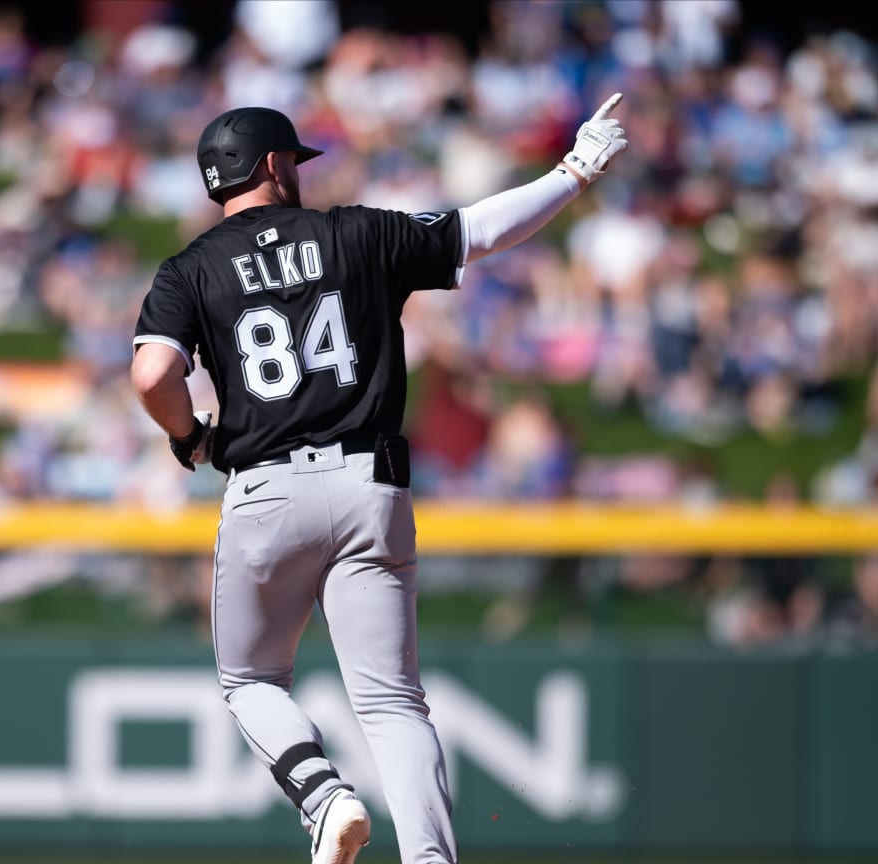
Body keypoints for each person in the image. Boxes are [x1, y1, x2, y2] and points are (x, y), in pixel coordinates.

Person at [130, 97, 627, 863]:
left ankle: (325, 799)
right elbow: (483, 230)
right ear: (272, 164)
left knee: (252, 680)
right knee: (393, 700)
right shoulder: (355, 233)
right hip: (371, 485)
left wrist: (190, 436)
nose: (297, 168)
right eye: (293, 157)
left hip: (266, 489)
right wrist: (574, 171)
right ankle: (431, 859)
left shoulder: (187, 270)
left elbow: (152, 373)